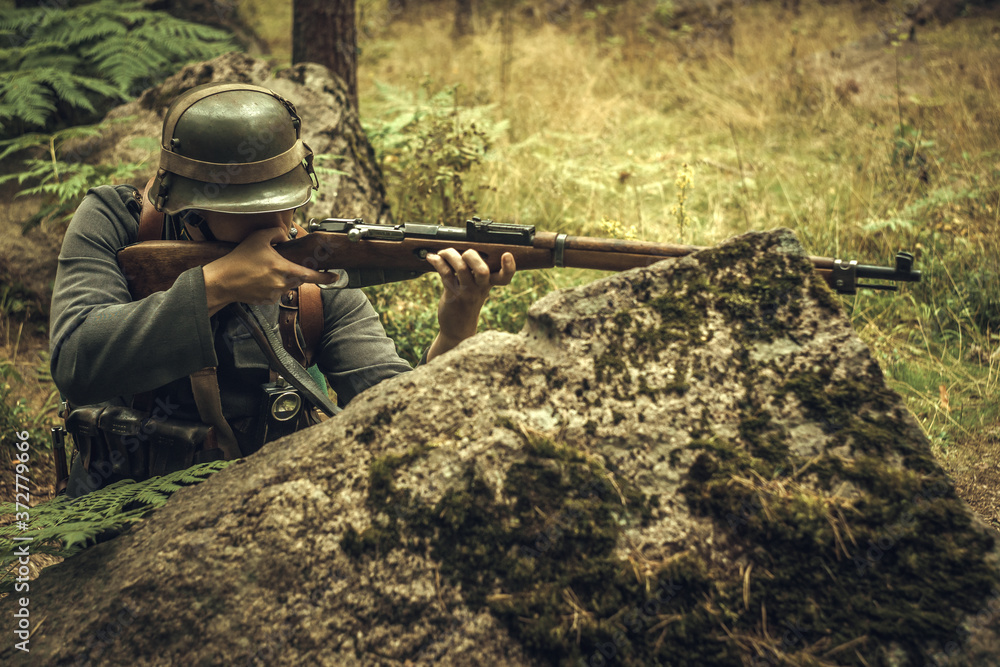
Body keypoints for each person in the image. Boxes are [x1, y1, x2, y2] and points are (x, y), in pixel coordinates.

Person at [49, 82, 516, 497]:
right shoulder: (116, 224)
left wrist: (454, 336)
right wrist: (218, 284)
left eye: (287, 203)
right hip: (116, 511)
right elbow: (76, 361)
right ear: (193, 208)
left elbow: (398, 417)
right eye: (251, 208)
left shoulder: (310, 269)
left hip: (265, 512)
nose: (280, 224)